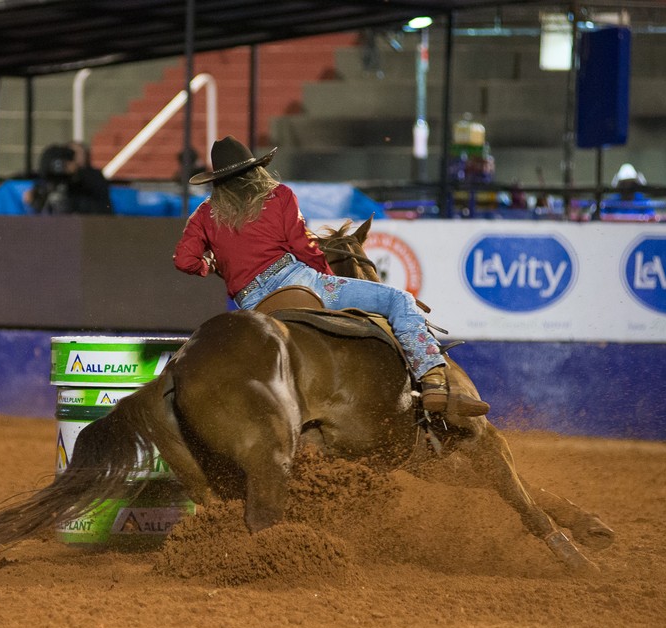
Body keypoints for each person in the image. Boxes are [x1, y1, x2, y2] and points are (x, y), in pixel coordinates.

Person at [173, 136, 489, 418]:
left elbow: (184, 261)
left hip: (252, 303)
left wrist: (210, 266)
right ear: (256, 170)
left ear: (218, 180)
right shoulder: (279, 196)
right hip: (299, 281)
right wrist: (326, 278)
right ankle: (432, 380)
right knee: (398, 299)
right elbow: (304, 246)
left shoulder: (203, 215)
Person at [26, 142, 113, 215]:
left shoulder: (93, 176)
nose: (74, 159)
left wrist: (77, 174)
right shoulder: (53, 180)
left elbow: (101, 205)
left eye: (77, 154)